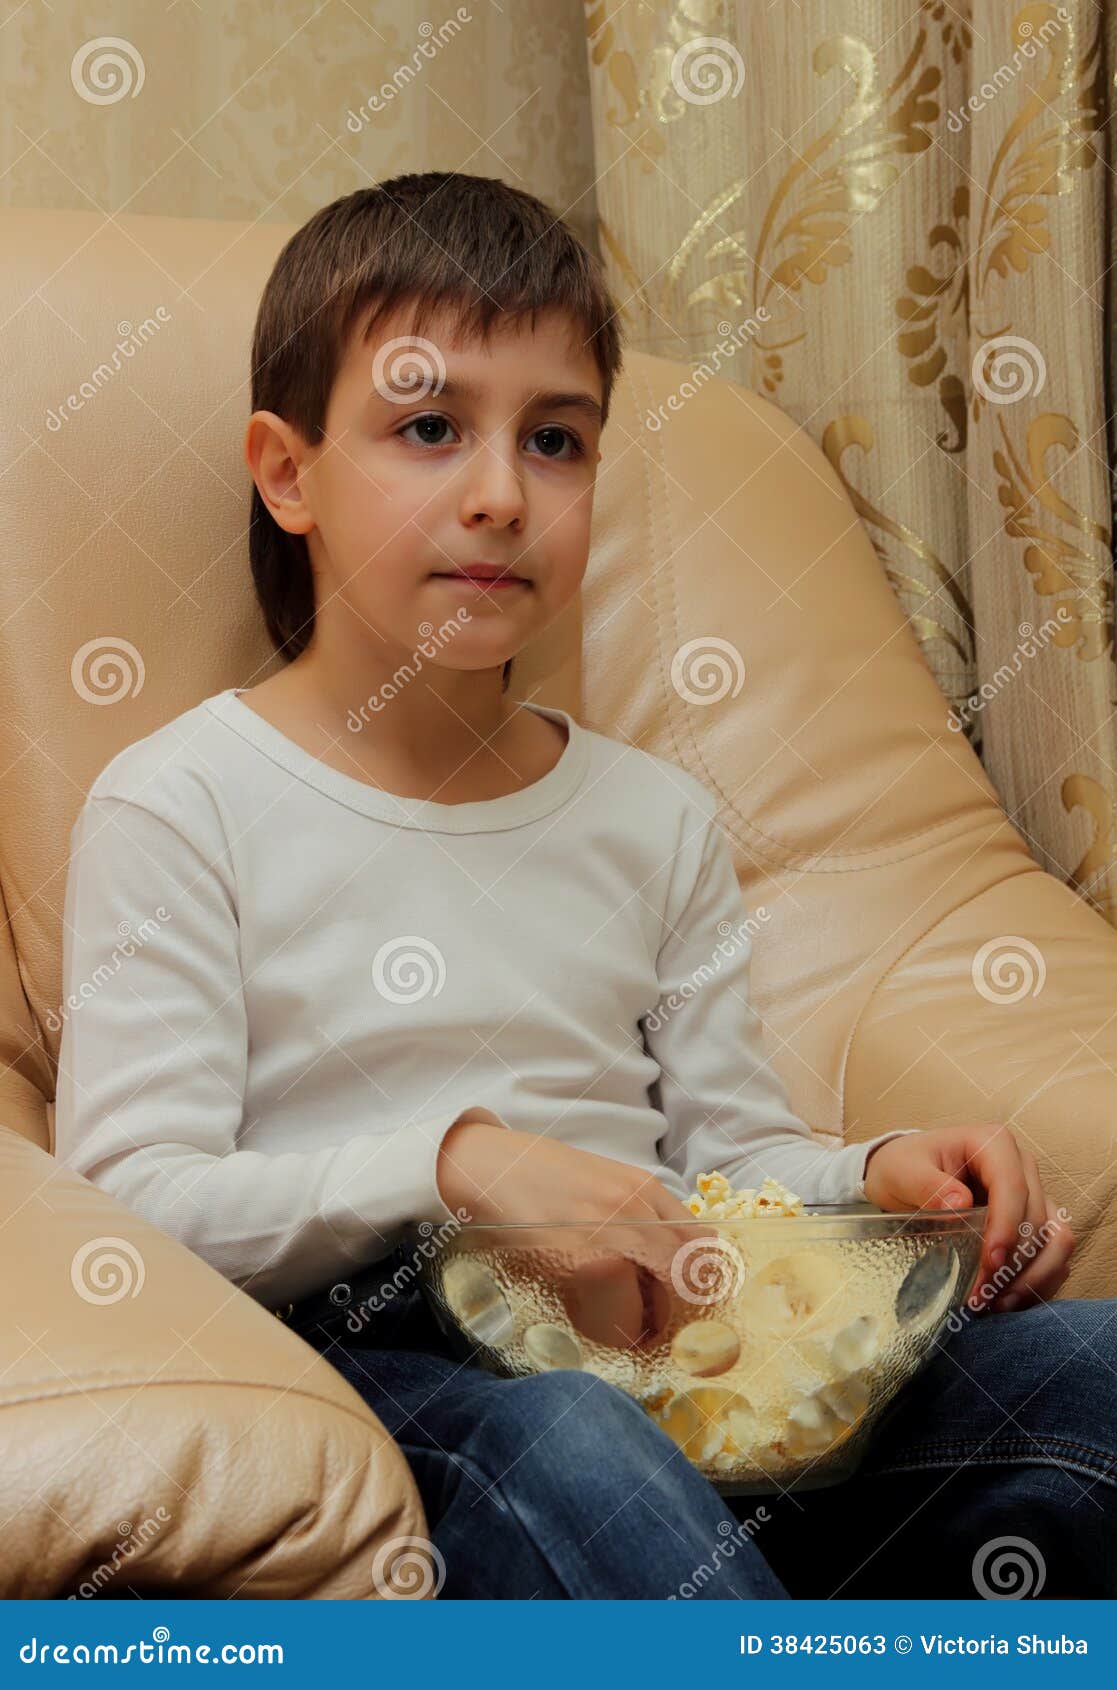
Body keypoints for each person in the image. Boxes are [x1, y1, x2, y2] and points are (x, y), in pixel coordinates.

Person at [54, 173, 1112, 1601]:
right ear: (287, 470)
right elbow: (135, 1213)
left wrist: (872, 1176)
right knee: (573, 1436)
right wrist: (459, 1164)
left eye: (554, 441)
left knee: (1087, 1366)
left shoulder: (650, 816)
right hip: (402, 1371)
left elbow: (723, 1159)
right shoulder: (182, 802)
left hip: (693, 1351)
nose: (499, 493)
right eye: (429, 428)